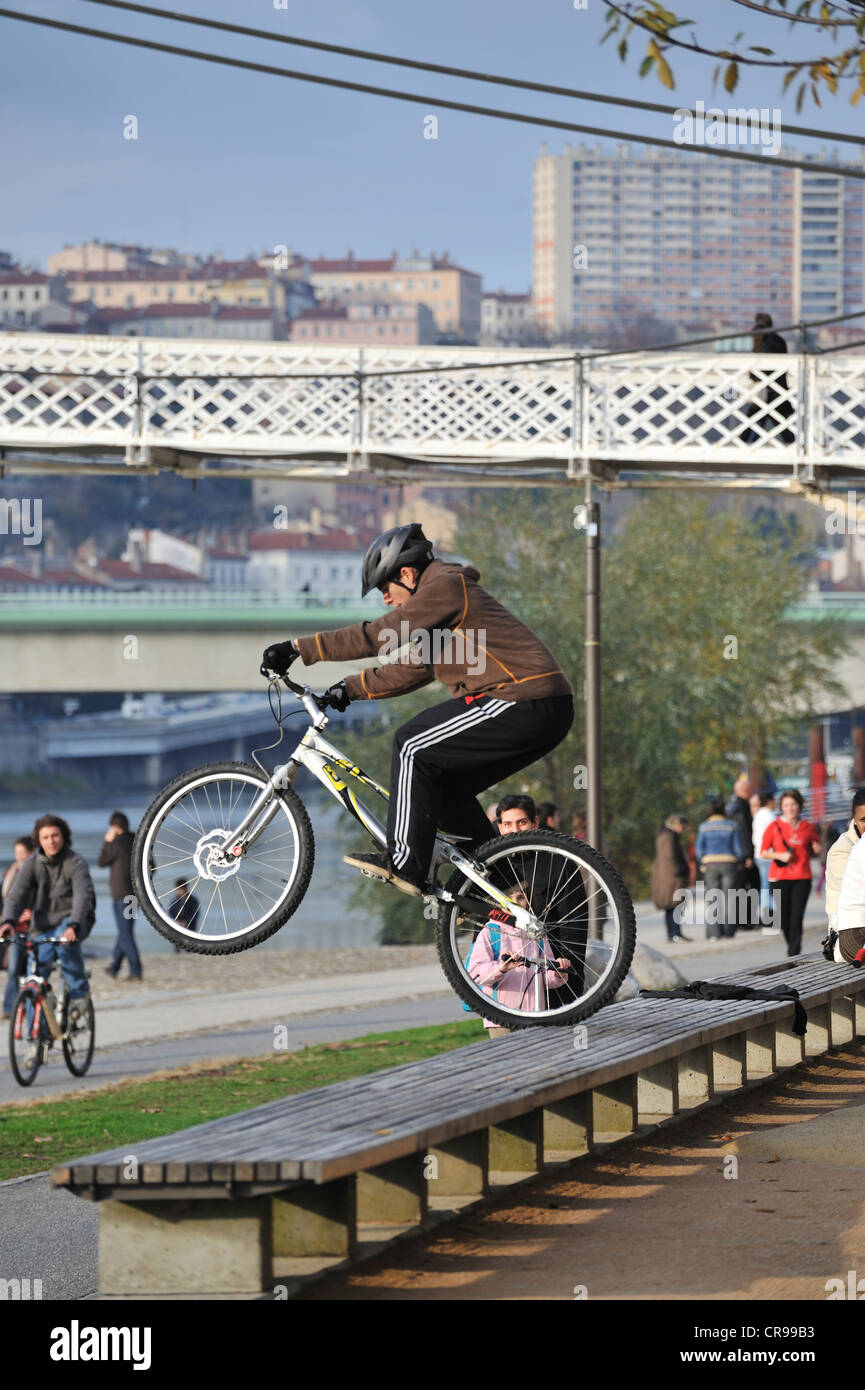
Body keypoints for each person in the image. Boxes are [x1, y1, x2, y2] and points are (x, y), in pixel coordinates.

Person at [261, 523, 574, 896]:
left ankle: (407, 864)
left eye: (385, 589)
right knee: (443, 790)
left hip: (522, 698)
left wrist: (298, 648)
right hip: (540, 707)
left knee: (411, 745)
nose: (386, 600)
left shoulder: (443, 587)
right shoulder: (444, 608)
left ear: (407, 575)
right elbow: (413, 668)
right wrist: (350, 689)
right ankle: (499, 883)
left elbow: (378, 636)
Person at [0, 815, 94, 1019]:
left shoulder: (75, 862)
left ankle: (79, 995)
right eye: (45, 837)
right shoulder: (31, 863)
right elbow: (16, 896)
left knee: (64, 943)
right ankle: (34, 1035)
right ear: (38, 840)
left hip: (73, 921)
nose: (51, 841)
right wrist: (8, 921)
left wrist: (74, 925)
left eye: (55, 835)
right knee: (34, 979)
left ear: (64, 836)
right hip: (42, 926)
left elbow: (82, 897)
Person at [467, 884, 570, 1038]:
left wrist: (557, 972)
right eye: (508, 897)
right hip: (501, 1018)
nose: (514, 902)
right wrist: (501, 968)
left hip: (534, 1014)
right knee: (507, 1053)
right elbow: (475, 973)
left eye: (520, 897)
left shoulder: (537, 933)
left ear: (528, 902)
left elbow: (544, 976)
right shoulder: (489, 932)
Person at [760, 789, 820, 957]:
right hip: (779, 878)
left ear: (799, 805)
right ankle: (792, 950)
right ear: (781, 807)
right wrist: (780, 855)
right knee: (784, 919)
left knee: (796, 919)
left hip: (802, 877)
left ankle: (793, 954)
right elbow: (763, 852)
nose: (790, 808)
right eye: (786, 805)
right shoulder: (774, 826)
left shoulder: (807, 827)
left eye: (793, 804)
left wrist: (817, 847)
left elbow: (815, 845)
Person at [99, 811, 142, 982]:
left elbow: (102, 861)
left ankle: (136, 970)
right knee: (125, 932)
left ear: (115, 827)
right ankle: (114, 968)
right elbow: (151, 865)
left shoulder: (116, 843)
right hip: (136, 896)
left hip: (121, 896)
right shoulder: (138, 841)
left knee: (125, 933)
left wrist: (107, 841)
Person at [695, 797, 744, 940]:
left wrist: (702, 862)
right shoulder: (732, 825)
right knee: (729, 898)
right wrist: (738, 861)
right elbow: (738, 849)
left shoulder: (704, 827)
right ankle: (728, 931)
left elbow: (699, 849)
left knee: (713, 897)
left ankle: (714, 933)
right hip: (729, 863)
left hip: (710, 864)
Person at [742, 312, 795, 446]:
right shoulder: (779, 340)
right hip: (778, 388)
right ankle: (792, 444)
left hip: (765, 389)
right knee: (778, 423)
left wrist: (753, 375)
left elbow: (762, 366)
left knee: (753, 421)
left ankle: (744, 444)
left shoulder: (760, 338)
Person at [1, 836, 34, 1018]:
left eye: (23, 853)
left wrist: (33, 914)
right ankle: (9, 1008)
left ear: (32, 853)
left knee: (31, 971)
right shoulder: (9, 874)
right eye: (17, 853)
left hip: (33, 928)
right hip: (14, 928)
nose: (20, 856)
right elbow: (5, 902)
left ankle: (30, 1008)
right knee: (13, 969)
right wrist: (7, 919)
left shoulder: (38, 873)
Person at [824, 790, 865, 932]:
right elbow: (857, 894)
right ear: (854, 819)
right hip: (851, 931)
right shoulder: (842, 850)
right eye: (863, 819)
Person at [651, 814, 691, 943]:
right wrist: (680, 870)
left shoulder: (664, 835)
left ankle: (673, 933)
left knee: (671, 905)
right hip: (672, 876)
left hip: (667, 875)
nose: (683, 829)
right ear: (676, 824)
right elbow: (670, 856)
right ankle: (675, 933)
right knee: (674, 905)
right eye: (682, 826)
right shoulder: (669, 836)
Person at [726, 775, 756, 930]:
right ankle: (744, 921)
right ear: (745, 790)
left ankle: (744, 920)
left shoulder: (736, 806)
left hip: (739, 854)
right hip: (744, 855)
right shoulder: (741, 808)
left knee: (743, 888)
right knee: (746, 888)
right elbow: (743, 832)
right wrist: (747, 855)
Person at [750, 792, 777, 928]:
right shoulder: (770, 815)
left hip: (759, 855)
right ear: (770, 801)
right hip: (769, 855)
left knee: (764, 886)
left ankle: (765, 914)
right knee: (768, 887)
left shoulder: (758, 815)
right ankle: (768, 915)